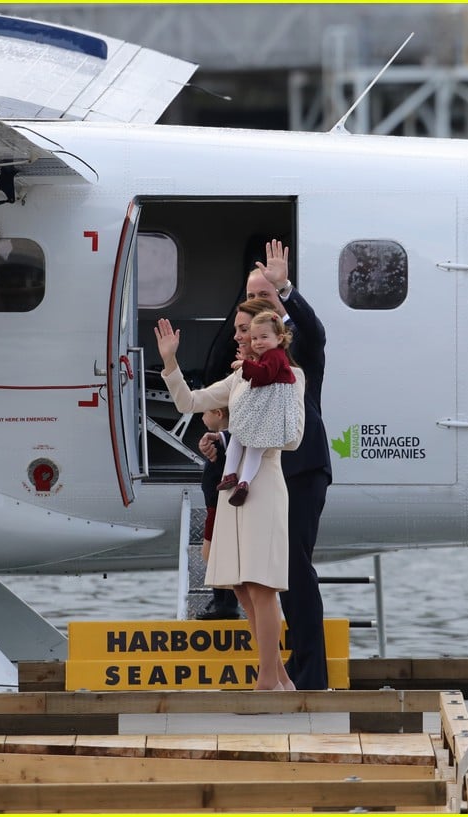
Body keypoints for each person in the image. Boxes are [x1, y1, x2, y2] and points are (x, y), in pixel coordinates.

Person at [154, 304, 305, 690]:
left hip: (263, 484)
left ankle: (267, 681)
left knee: (261, 585)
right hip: (233, 489)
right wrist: (170, 362)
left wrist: (245, 433)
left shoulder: (292, 376)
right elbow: (189, 403)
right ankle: (281, 679)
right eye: (241, 331)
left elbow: (293, 439)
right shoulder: (237, 378)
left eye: (246, 331)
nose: (240, 338)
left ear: (270, 337)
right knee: (240, 585)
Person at [246, 240, 332, 691]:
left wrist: (285, 288)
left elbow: (315, 332)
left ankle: (309, 676)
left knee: (295, 570)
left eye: (265, 295)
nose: (258, 303)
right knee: (267, 575)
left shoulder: (300, 344)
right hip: (264, 472)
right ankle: (280, 673)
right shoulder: (249, 348)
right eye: (251, 296)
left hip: (300, 468)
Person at [220, 311, 299, 507]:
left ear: (279, 338)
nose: (258, 342)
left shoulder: (275, 355)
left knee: (246, 443)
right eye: (254, 338)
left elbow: (264, 375)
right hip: (263, 413)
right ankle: (237, 479)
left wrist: (245, 364)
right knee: (244, 442)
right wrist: (250, 363)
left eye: (264, 337)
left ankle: (238, 479)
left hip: (266, 413)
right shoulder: (269, 356)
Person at [196, 407, 241, 621]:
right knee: (214, 554)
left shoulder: (223, 443)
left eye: (205, 413)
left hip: (218, 505)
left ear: (218, 414)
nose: (202, 418)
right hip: (214, 505)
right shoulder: (222, 442)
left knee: (212, 554)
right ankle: (223, 601)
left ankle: (227, 604)